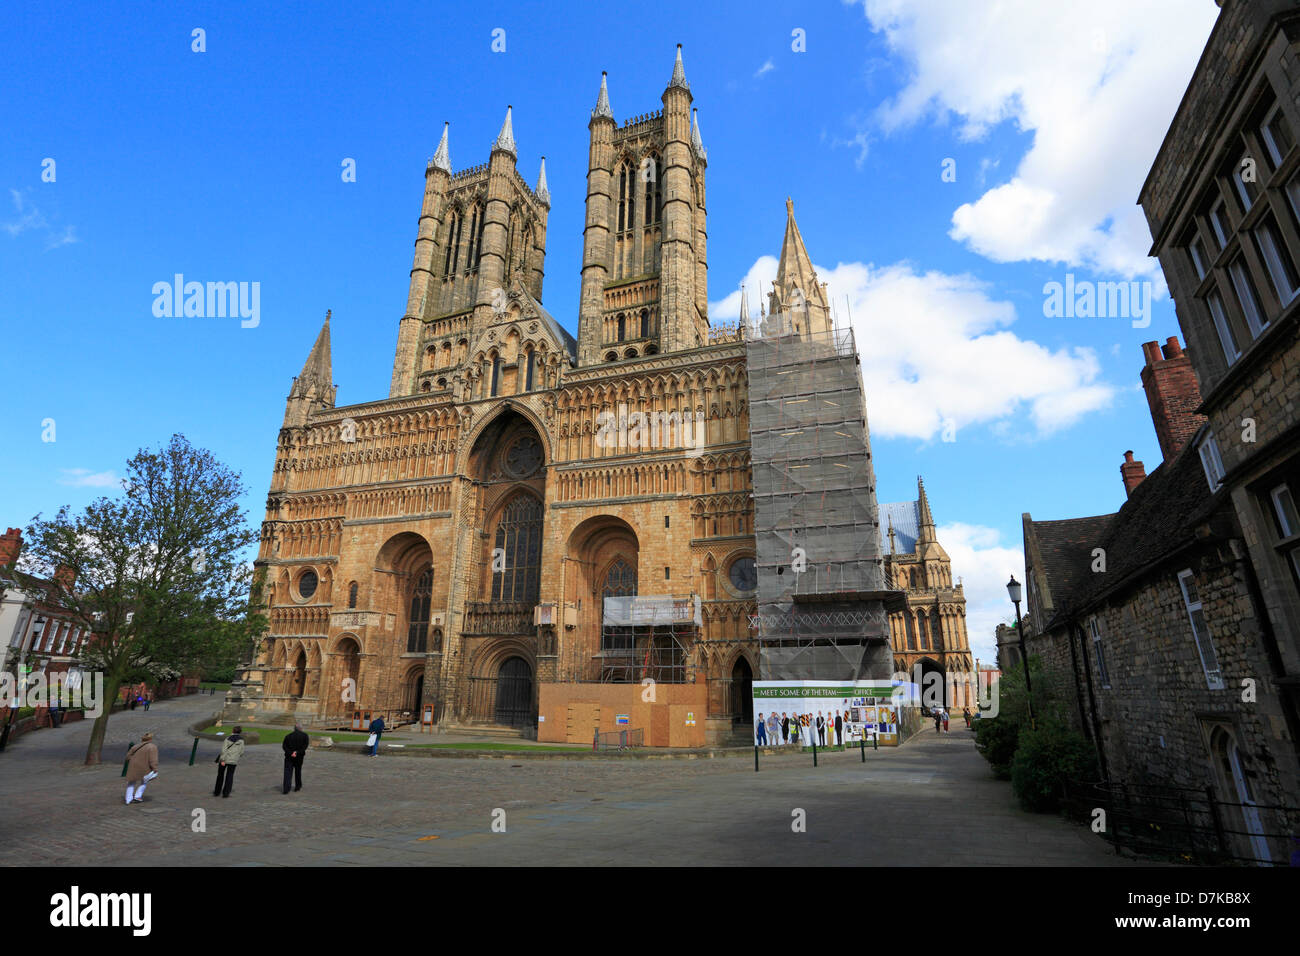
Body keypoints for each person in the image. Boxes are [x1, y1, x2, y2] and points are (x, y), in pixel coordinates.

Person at [124, 732, 158, 805]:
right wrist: (154, 768)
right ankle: (137, 796)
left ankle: (128, 799)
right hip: (145, 766)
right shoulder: (152, 747)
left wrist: (134, 759)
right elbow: (153, 759)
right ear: (151, 739)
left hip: (133, 766)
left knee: (131, 782)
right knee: (144, 781)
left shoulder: (135, 746)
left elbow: (127, 757)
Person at [213, 727, 245, 797]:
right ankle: (226, 793)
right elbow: (242, 752)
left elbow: (223, 751)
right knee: (230, 776)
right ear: (240, 732)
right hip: (234, 761)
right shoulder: (241, 741)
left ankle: (217, 792)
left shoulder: (227, 739)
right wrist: (236, 756)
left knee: (220, 776)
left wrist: (222, 760)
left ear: (233, 731)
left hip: (224, 760)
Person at [282, 722, 309, 794]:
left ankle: (286, 788)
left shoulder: (288, 736)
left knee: (288, 772)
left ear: (294, 728)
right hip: (299, 757)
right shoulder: (305, 736)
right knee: (298, 771)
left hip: (289, 756)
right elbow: (305, 747)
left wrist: (291, 753)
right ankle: (298, 786)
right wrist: (297, 752)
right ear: (301, 728)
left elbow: (284, 747)